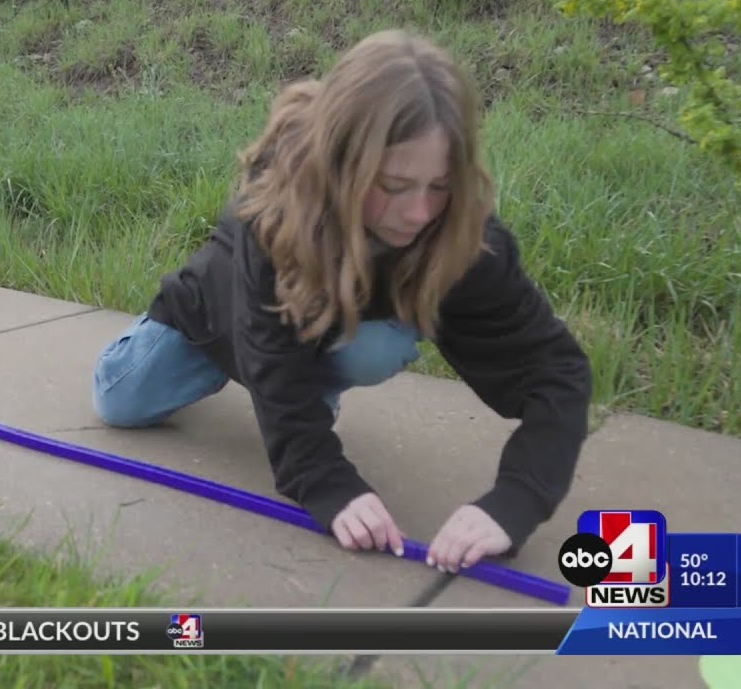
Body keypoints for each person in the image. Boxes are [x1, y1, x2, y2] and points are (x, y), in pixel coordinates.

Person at [90, 29, 592, 573]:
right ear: (341, 164)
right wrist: (326, 481)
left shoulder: (464, 239)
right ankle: (183, 352)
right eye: (395, 185)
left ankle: (311, 388)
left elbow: (557, 371)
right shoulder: (280, 208)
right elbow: (270, 356)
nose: (420, 212)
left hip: (310, 329)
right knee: (121, 402)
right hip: (214, 312)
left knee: (370, 349)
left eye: (440, 185)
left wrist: (515, 501)